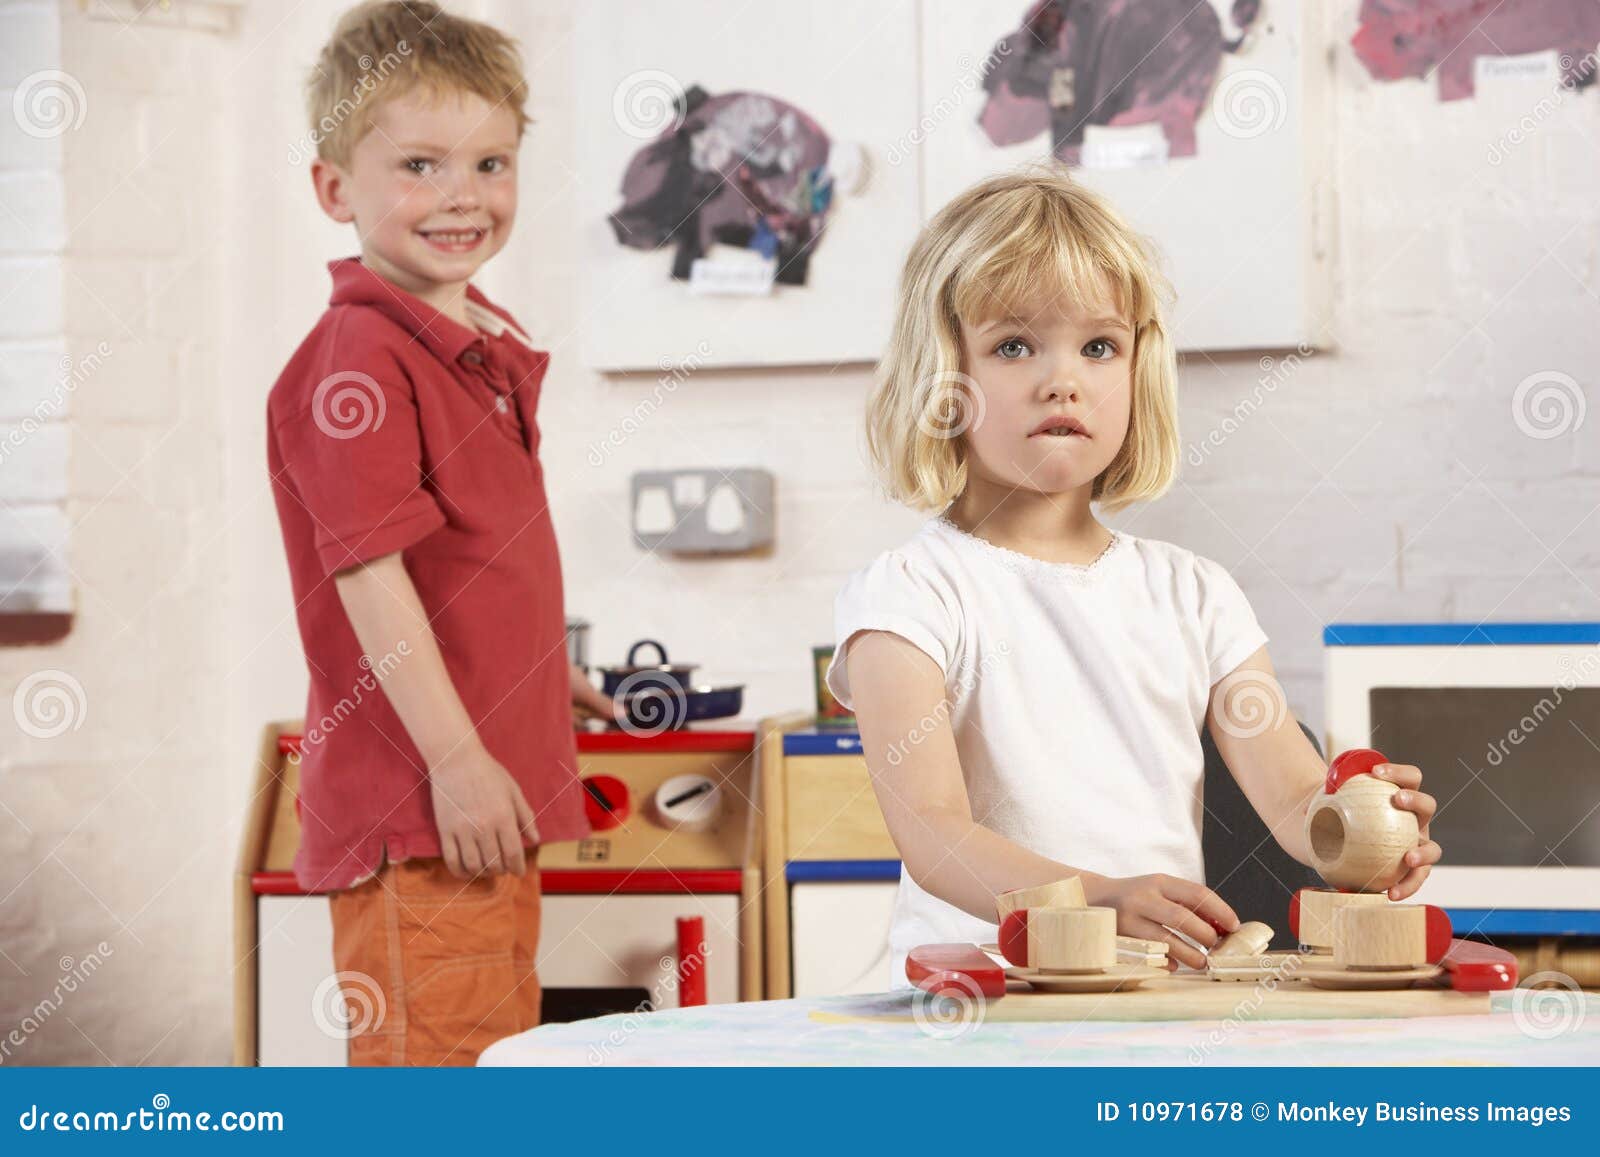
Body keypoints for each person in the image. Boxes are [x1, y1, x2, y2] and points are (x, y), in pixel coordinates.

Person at [826, 168, 1440, 986]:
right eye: (1014, 345)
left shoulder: (1196, 593)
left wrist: (1357, 832)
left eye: (1099, 346)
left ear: (1135, 370)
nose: (1062, 377)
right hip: (974, 995)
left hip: (1149, 992)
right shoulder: (910, 594)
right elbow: (933, 833)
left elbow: (1295, 799)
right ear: (945, 377)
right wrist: (1097, 899)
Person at [266, 1, 612, 1063]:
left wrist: (532, 672)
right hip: (425, 809)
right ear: (335, 189)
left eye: (490, 163)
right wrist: (459, 761)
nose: (462, 196)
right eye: (419, 164)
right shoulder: (361, 362)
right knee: (436, 1087)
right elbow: (370, 576)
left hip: (478, 803)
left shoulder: (463, 344)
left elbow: (463, 565)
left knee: (490, 1069)